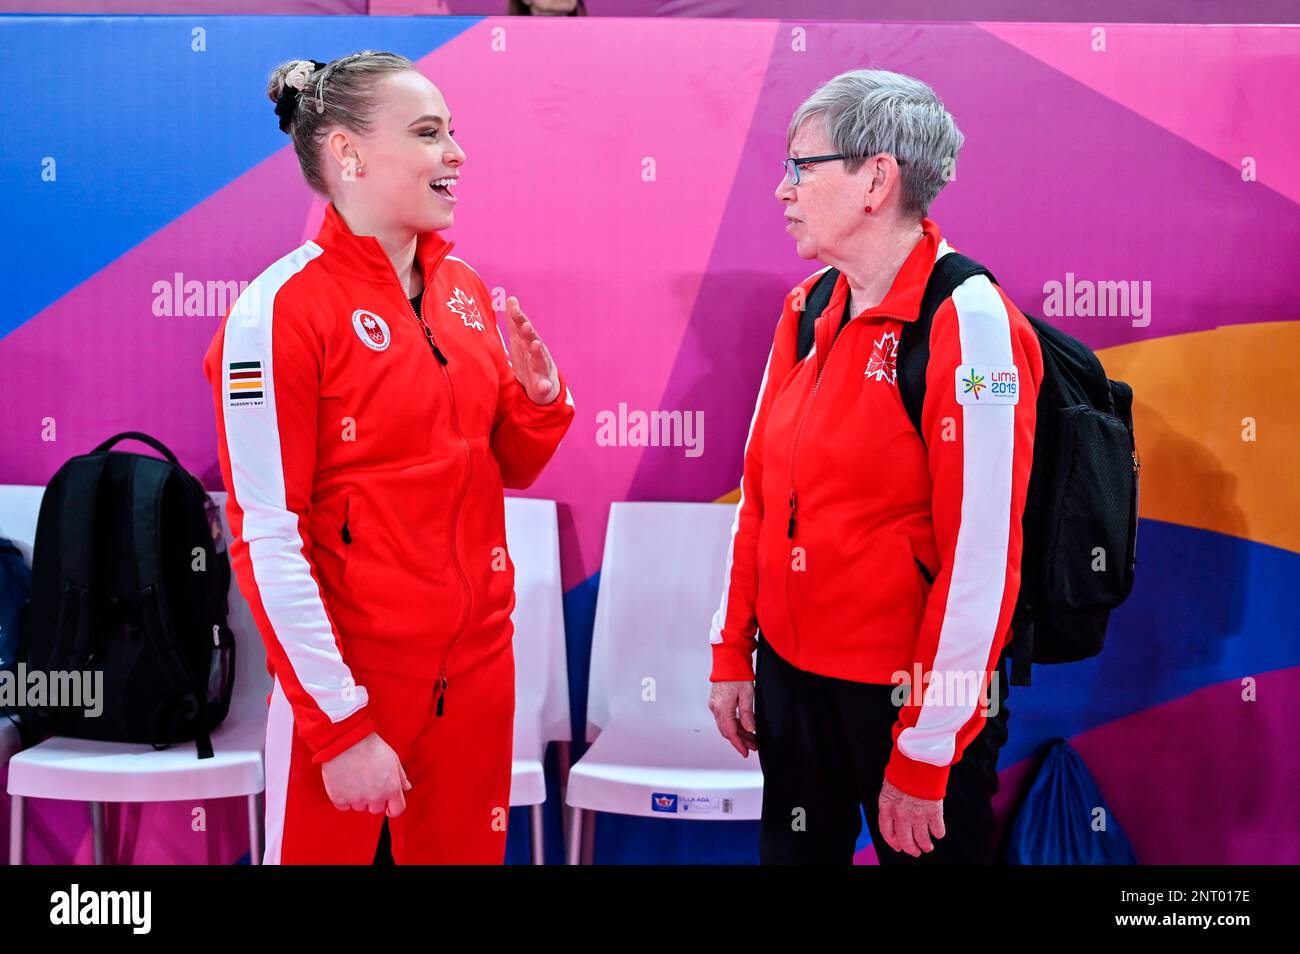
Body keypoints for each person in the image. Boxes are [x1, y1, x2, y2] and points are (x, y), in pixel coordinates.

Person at [202, 51, 575, 864]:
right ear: (349, 154)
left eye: (452, 132)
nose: (457, 154)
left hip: (478, 686)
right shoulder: (277, 314)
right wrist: (341, 730)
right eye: (429, 134)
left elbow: (505, 465)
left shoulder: (467, 291)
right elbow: (268, 536)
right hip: (355, 693)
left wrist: (542, 403)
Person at [707, 69, 1043, 864]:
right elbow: (762, 495)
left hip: (906, 704)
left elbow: (981, 564)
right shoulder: (807, 306)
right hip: (791, 685)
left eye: (801, 166)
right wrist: (734, 652)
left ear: (876, 179)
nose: (783, 190)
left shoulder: (969, 318)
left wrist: (927, 748)